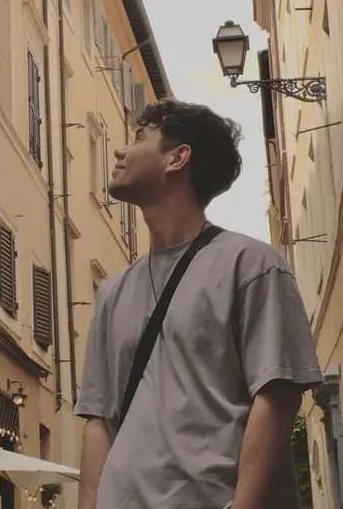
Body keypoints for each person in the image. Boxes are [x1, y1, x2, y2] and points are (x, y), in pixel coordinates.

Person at [75, 99, 322, 509]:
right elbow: (98, 421)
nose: (119, 150)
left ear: (177, 157)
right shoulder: (111, 293)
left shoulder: (252, 266)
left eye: (138, 138)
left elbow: (277, 398)